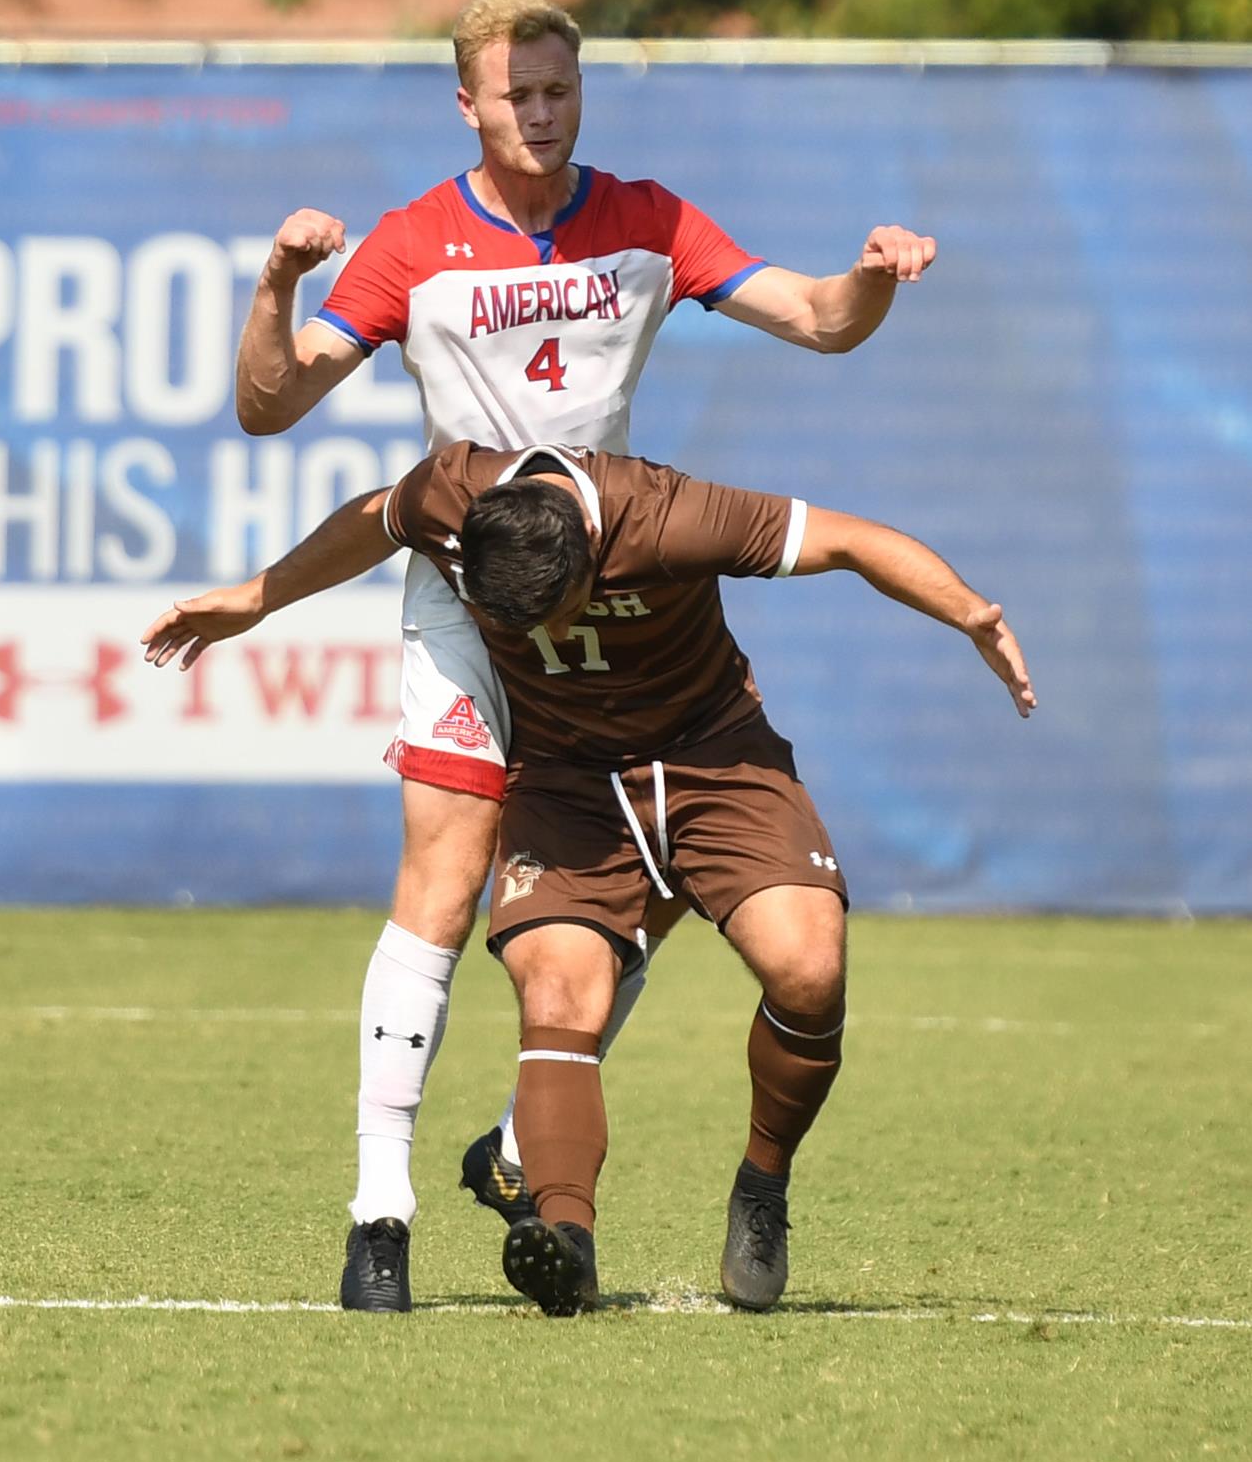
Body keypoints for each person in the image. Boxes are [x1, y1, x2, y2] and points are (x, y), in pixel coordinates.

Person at [233, 0, 937, 1309]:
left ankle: (519, 1140)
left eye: (561, 91)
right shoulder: (413, 243)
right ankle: (377, 1213)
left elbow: (820, 319)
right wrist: (279, 285)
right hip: (469, 589)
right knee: (440, 881)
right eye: (517, 96)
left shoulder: (650, 219)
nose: (542, 116)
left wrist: (873, 278)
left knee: (642, 882)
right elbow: (268, 405)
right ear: (469, 105)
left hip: (599, 586)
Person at [142, 441, 1034, 1315]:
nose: (546, 637)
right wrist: (258, 600)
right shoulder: (450, 495)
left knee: (807, 972)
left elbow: (853, 540)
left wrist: (969, 613)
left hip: (713, 761)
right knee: (560, 993)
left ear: (589, 555)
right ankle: (564, 1238)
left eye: (557, 613)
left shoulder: (676, 517)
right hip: (566, 785)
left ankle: (762, 1186)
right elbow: (371, 521)